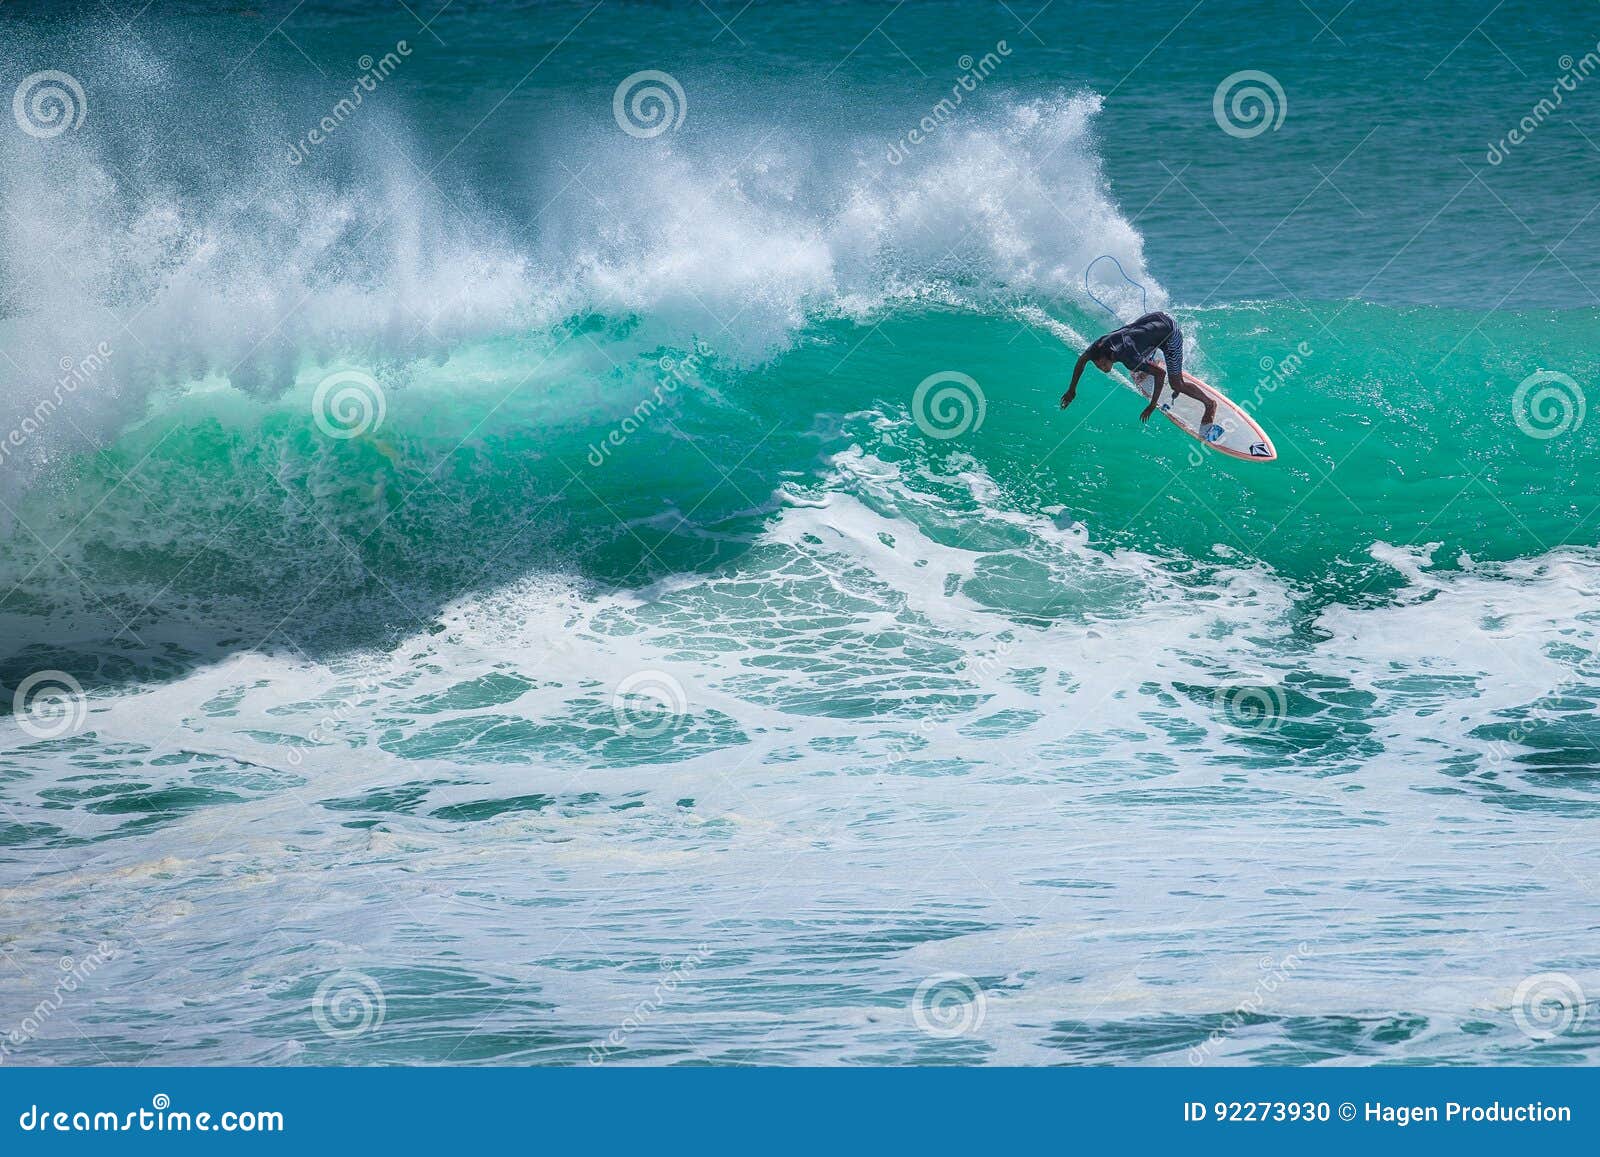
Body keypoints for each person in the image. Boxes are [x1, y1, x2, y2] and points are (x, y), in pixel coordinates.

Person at [1059, 310, 1221, 441]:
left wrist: (1152, 405)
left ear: (1109, 357)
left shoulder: (1128, 358)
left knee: (1176, 384)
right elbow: (1082, 361)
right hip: (1154, 318)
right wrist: (1072, 390)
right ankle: (1149, 361)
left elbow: (1160, 374)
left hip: (1170, 333)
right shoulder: (1098, 346)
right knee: (1138, 362)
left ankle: (1209, 404)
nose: (1101, 368)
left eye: (1102, 364)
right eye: (1098, 366)